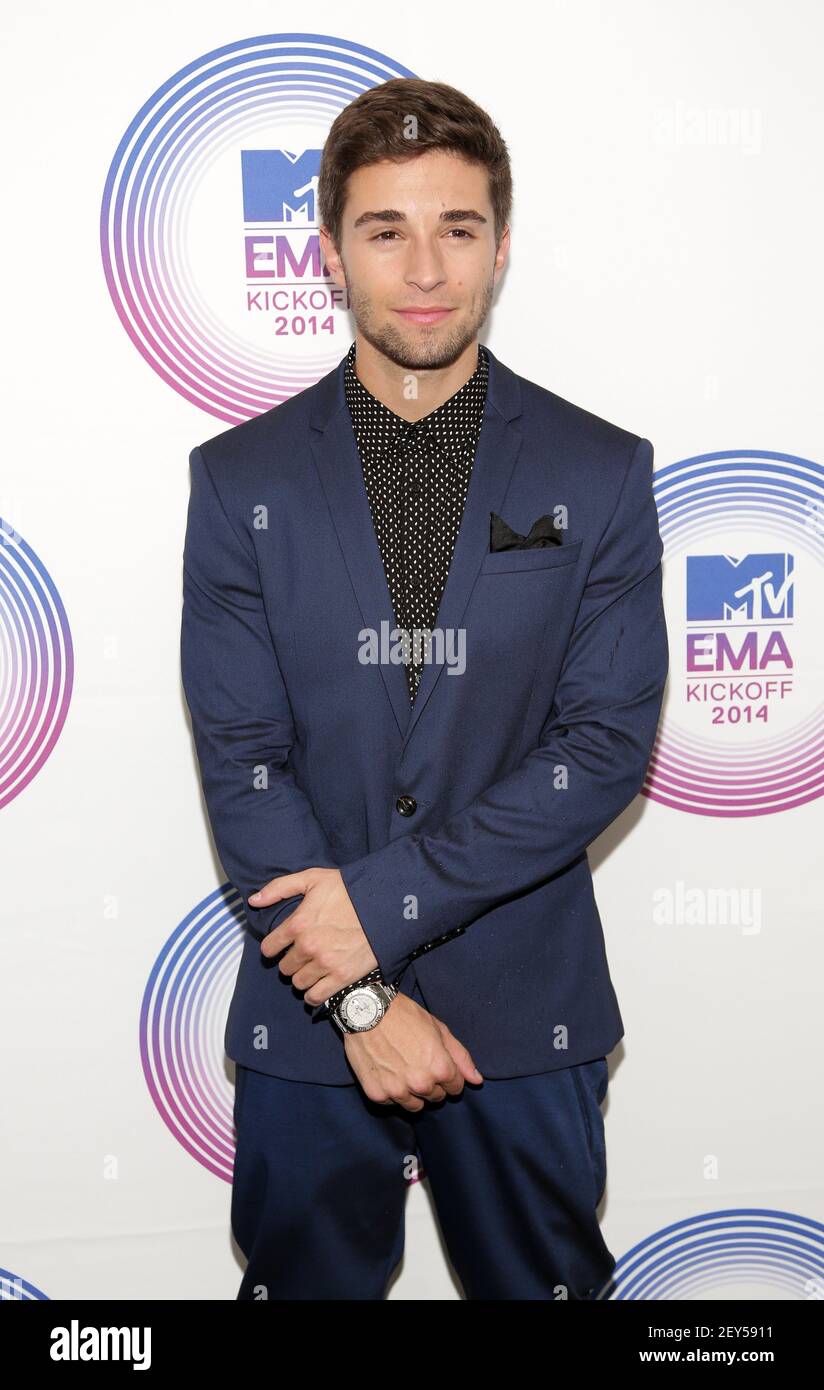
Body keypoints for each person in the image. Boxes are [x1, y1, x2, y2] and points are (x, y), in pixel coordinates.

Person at [180, 76, 669, 1301]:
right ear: (330, 252)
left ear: (501, 247)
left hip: (524, 999)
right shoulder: (239, 479)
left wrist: (377, 913)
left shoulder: (598, 471)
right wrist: (356, 999)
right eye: (384, 230)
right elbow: (246, 761)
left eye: (456, 227)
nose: (423, 266)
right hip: (307, 1010)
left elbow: (600, 747)